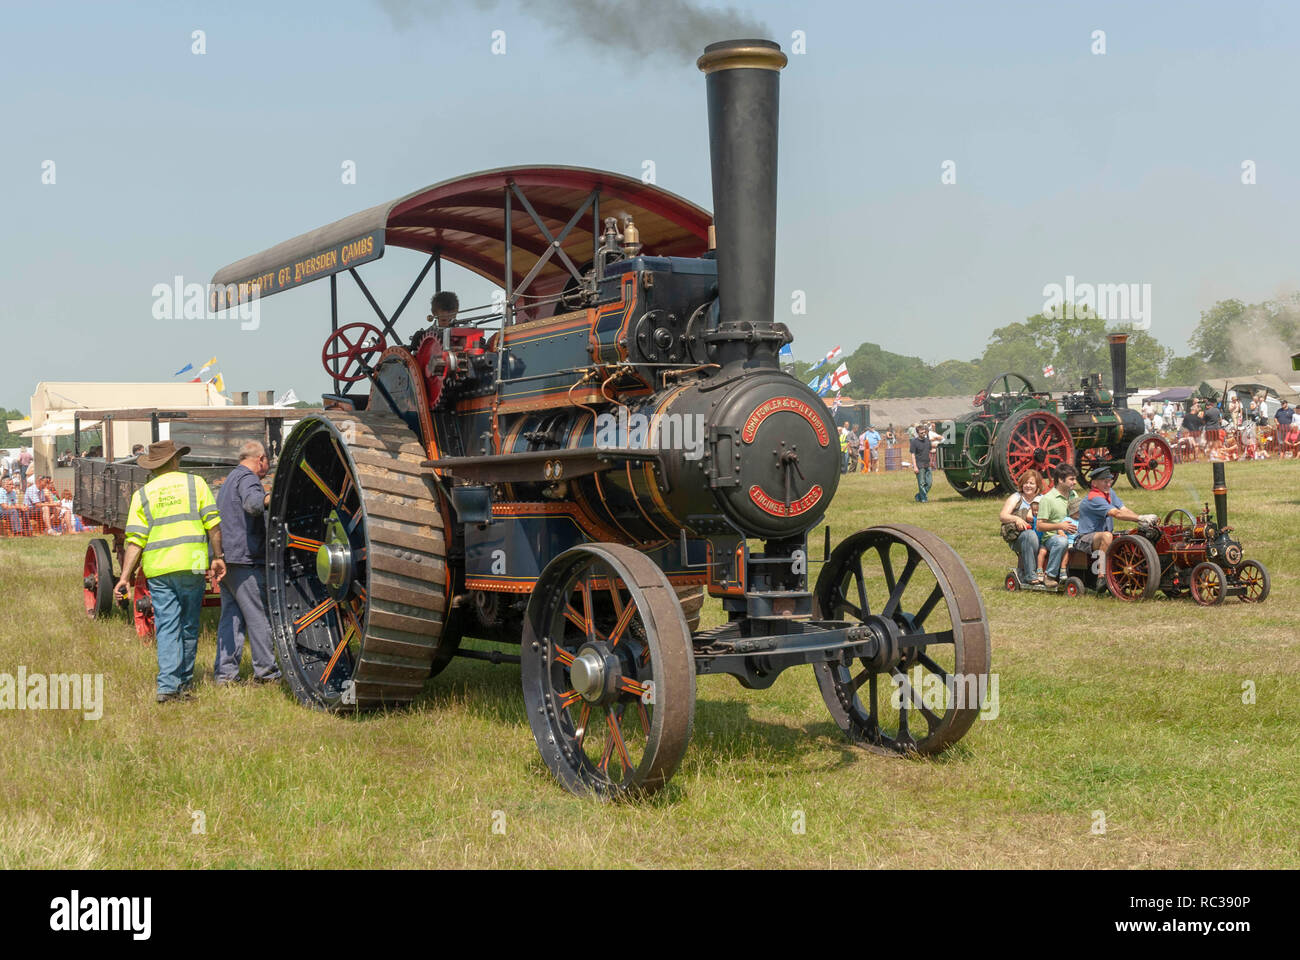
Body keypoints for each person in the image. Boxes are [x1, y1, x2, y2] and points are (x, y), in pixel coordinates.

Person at [113, 440, 225, 704]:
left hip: (159, 570)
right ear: (175, 461)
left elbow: (135, 540)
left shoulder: (142, 495)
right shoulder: (195, 484)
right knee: (188, 625)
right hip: (192, 565)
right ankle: (183, 683)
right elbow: (213, 525)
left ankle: (167, 686)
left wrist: (125, 578)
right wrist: (218, 557)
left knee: (166, 626)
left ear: (153, 466)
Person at [214, 441, 281, 686]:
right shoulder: (249, 479)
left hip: (228, 559)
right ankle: (266, 673)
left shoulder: (230, 479)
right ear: (261, 459)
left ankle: (225, 675)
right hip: (246, 559)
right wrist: (274, 497)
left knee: (231, 617)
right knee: (258, 616)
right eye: (267, 462)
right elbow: (253, 503)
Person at [1075, 466, 1155, 561]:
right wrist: (1140, 517)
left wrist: (1141, 521)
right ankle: (1102, 572)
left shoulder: (1109, 492)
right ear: (1094, 483)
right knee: (1107, 536)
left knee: (1133, 532)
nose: (1108, 484)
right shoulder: (1094, 498)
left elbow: (1124, 510)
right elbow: (1116, 513)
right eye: (1105, 481)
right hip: (1085, 539)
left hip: (1104, 534)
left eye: (1110, 481)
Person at [1035, 463, 1080, 586]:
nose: (1075, 482)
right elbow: (1039, 526)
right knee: (1061, 541)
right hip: (1051, 538)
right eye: (1071, 479)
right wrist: (1060, 526)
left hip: (1073, 534)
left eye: (1075, 479)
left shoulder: (1074, 495)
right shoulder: (1048, 499)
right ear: (1060, 480)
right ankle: (1050, 576)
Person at [1000, 469, 1044, 583]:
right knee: (1030, 535)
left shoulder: (1042, 499)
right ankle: (1030, 575)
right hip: (1019, 537)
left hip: (1041, 534)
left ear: (1037, 485)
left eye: (1031, 483)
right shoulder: (1016, 497)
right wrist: (1016, 519)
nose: (1028, 486)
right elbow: (1003, 515)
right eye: (1026, 483)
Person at [910, 424, 934, 502]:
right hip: (919, 465)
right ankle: (924, 499)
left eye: (924, 432)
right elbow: (913, 455)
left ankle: (918, 496)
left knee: (929, 483)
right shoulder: (914, 442)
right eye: (921, 433)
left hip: (928, 464)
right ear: (918, 433)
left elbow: (930, 450)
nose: (924, 434)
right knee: (921, 483)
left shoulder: (927, 440)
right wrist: (915, 466)